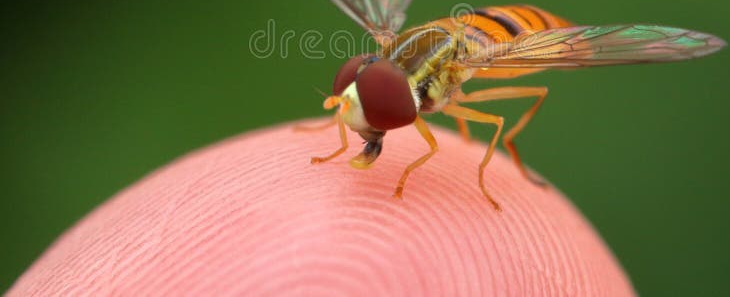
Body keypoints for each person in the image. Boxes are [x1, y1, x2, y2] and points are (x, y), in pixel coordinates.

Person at [9, 120, 634, 296]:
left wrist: (489, 168)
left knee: (490, 126)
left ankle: (504, 168)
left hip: (505, 38)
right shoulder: (385, 86)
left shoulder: (453, 87)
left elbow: (489, 121)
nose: (356, 101)